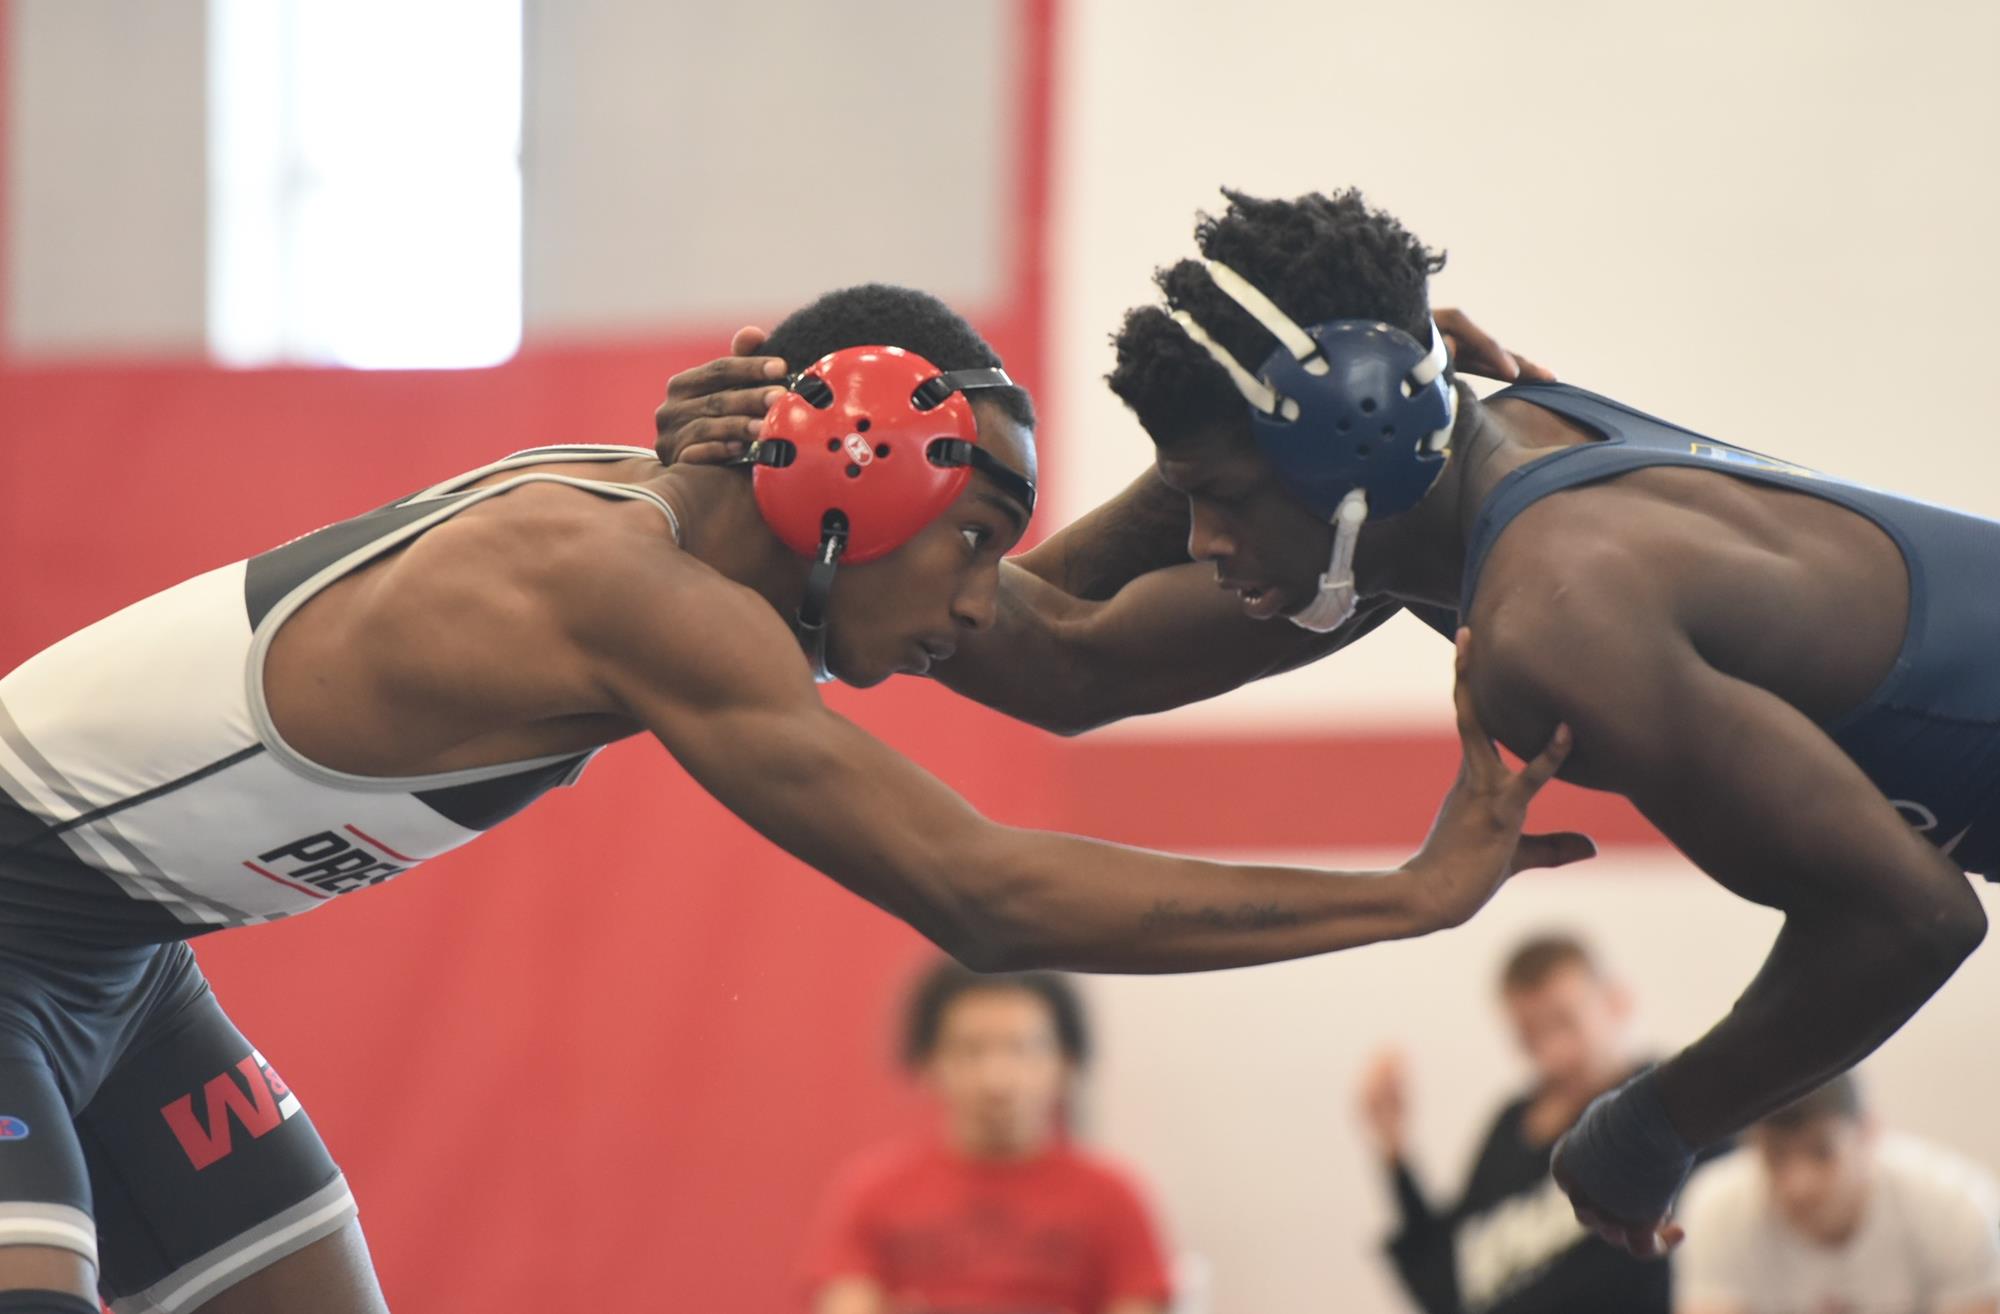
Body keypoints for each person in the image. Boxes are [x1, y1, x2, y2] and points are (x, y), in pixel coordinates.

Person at [0, 281, 1586, 1313]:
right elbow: (984, 891)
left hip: (122, 969)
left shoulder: (721, 549)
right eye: (978, 540)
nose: (986, 599)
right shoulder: (626, 590)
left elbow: (1074, 657)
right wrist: (1407, 894)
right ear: (853, 474)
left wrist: (1344, 454)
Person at [659, 185, 2000, 1258]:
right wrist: (812, 483)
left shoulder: (1556, 614)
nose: (1202, 539)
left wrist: (1646, 1126)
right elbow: (1063, 655)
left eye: (1223, 495)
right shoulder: (1462, 479)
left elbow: (1910, 918)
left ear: (1353, 446)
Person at [804, 961, 1171, 1314]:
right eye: (971, 1050)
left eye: (1021, 1049)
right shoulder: (873, 1192)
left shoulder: (1113, 1198)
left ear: (1066, 1063)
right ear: (928, 1062)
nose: (996, 1079)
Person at [1356, 933, 1673, 1314]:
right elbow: (1452, 1283)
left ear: (1616, 1001)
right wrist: (1395, 1149)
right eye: (1530, 1037)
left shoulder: (1665, 1110)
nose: (1553, 1054)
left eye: (1565, 1023)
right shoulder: (1510, 1126)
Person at [1674, 1074, 2000, 1314]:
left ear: (1868, 1133)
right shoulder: (1716, 1206)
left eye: (1822, 1152)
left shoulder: (1955, 1205)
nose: (1799, 1184)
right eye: (1776, 1156)